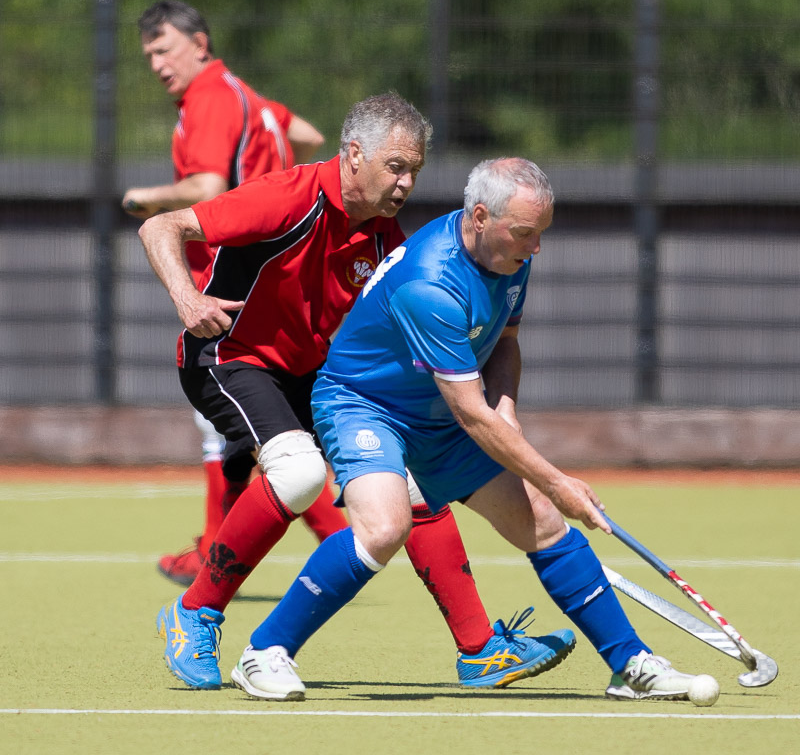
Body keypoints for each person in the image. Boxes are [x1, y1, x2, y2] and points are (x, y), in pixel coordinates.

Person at [231, 157, 710, 702]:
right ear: (480, 216)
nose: (535, 248)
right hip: (364, 404)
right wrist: (557, 478)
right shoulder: (430, 284)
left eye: (541, 234)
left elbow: (504, 341)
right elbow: (470, 415)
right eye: (526, 234)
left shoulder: (508, 254)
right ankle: (264, 654)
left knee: (546, 524)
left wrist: (507, 405)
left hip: (437, 411)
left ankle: (631, 666)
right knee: (385, 528)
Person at [139, 95, 576, 693]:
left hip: (312, 376)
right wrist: (188, 301)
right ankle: (196, 614)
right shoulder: (286, 197)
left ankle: (480, 650)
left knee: (413, 483)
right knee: (297, 475)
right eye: (395, 166)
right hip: (231, 357)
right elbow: (161, 225)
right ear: (352, 156)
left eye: (415, 170)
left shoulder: (385, 237)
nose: (406, 182)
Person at [122, 0, 342, 586]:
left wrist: (140, 198)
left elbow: (208, 184)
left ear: (200, 42)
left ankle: (319, 537)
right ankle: (220, 548)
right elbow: (308, 132)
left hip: (233, 270)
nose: (156, 64)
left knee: (233, 422)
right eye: (149, 55)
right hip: (280, 267)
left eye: (164, 48)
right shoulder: (246, 96)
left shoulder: (210, 99)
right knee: (248, 423)